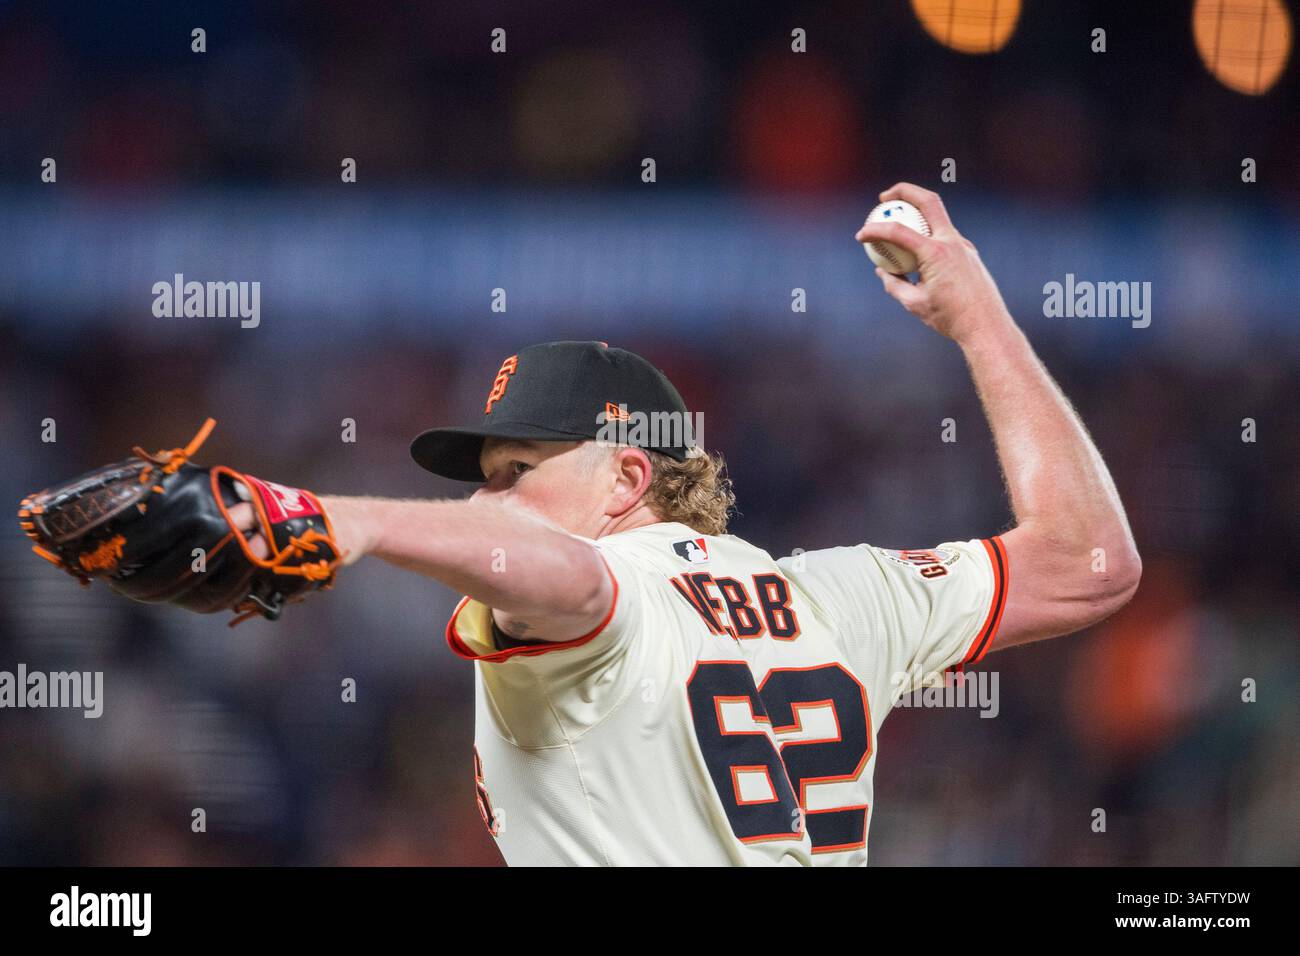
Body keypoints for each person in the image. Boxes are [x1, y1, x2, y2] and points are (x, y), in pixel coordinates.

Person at [230, 183, 1141, 865]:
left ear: (628, 475)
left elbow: (572, 581)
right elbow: (1090, 561)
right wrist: (978, 316)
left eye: (516, 473)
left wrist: (334, 518)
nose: (483, 501)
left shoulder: (606, 596)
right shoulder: (842, 595)